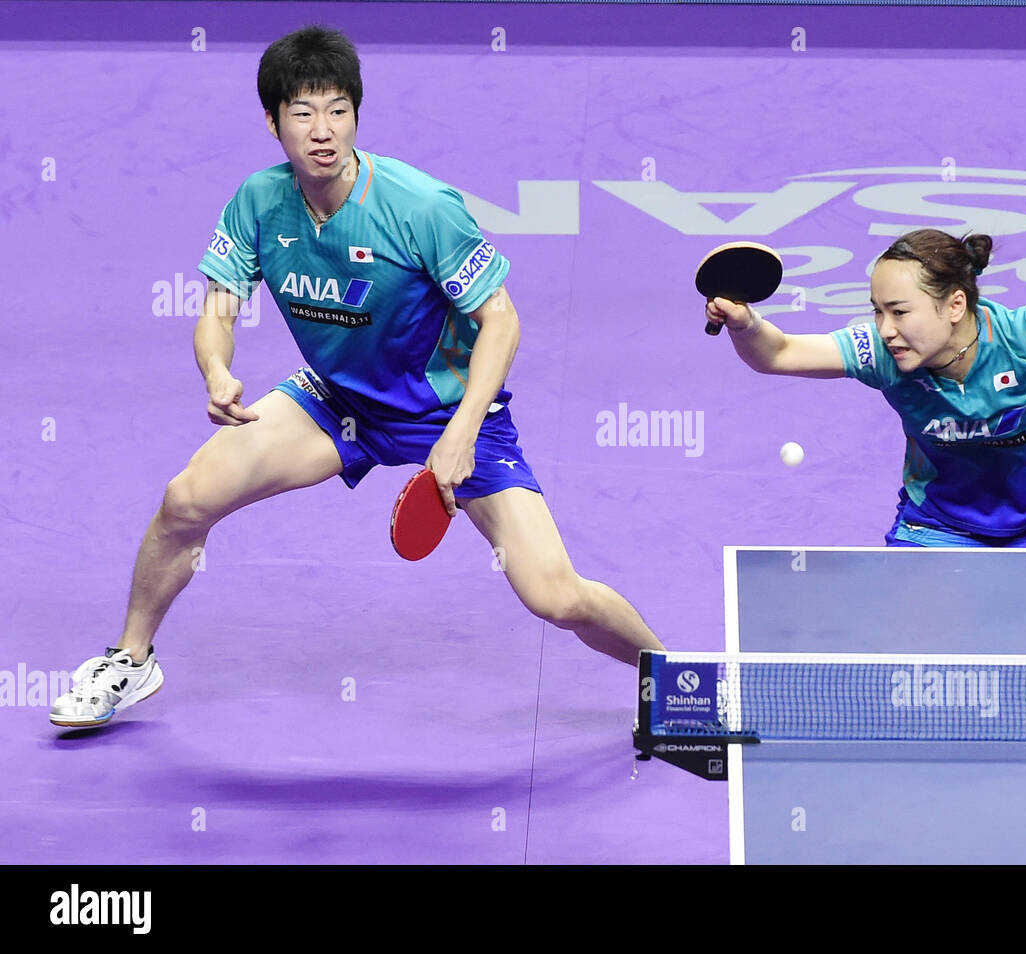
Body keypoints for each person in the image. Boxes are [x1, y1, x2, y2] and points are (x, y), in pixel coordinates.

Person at [50, 26, 663, 728]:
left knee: (555, 596)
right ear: (273, 121)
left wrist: (462, 432)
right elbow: (218, 309)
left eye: (338, 110)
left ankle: (672, 678)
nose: (322, 131)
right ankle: (130, 660)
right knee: (187, 499)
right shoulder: (259, 202)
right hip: (335, 401)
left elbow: (503, 321)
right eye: (303, 113)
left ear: (356, 115)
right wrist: (217, 370)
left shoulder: (420, 206)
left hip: (450, 411)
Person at [706, 215, 1026, 548]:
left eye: (900, 311)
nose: (886, 328)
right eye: (878, 310)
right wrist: (745, 325)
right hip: (941, 529)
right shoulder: (880, 353)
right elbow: (777, 353)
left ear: (955, 305)